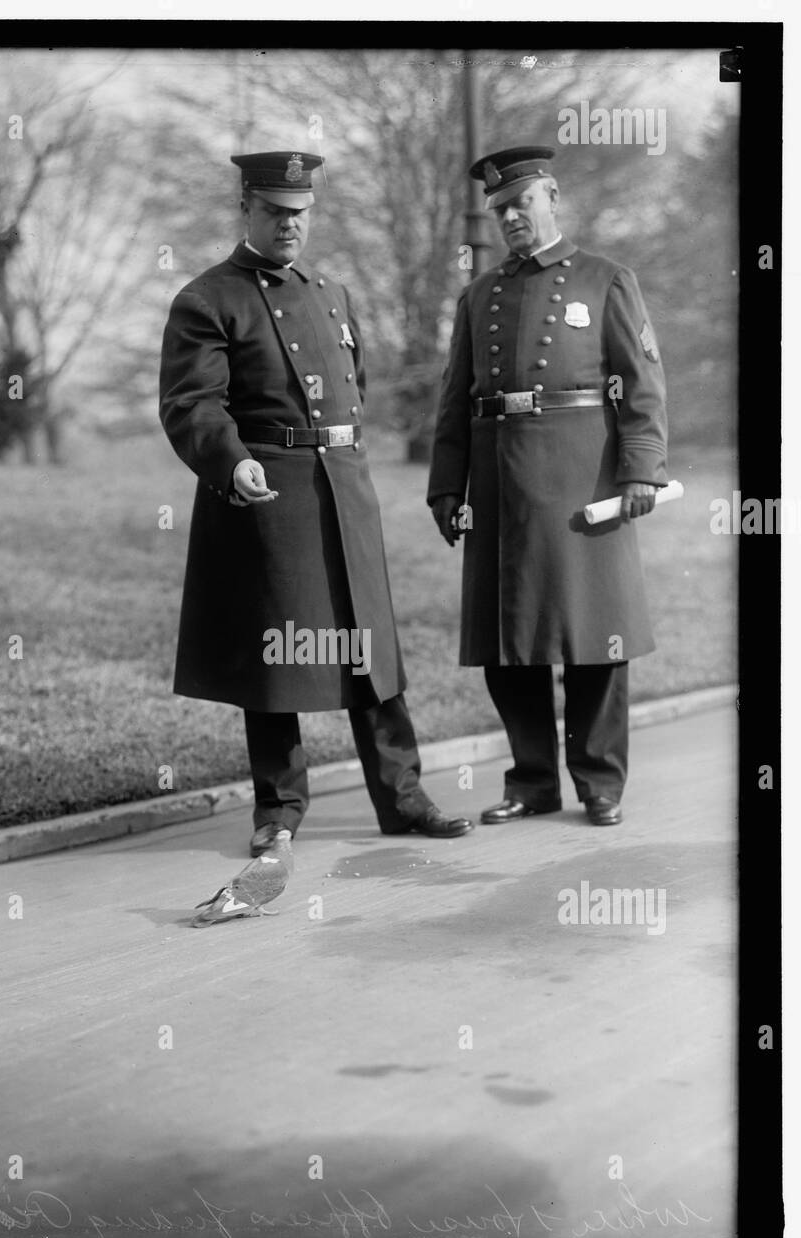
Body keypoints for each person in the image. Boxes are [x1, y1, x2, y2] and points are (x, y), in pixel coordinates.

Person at [160, 150, 472, 856]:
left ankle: (403, 797)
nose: (289, 225)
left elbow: (351, 384)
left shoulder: (331, 291)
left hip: (345, 487)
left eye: (300, 213)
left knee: (371, 650)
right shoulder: (208, 300)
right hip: (269, 494)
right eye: (274, 212)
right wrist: (232, 463)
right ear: (245, 209)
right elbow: (191, 405)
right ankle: (277, 812)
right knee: (275, 657)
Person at [428, 146, 668, 827]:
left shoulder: (607, 279)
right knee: (511, 644)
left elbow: (644, 390)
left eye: (521, 204)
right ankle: (532, 780)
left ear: (552, 198)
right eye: (499, 210)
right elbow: (454, 401)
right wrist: (447, 490)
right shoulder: (478, 298)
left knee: (596, 639)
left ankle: (600, 782)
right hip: (501, 488)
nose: (510, 219)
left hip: (582, 481)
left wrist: (642, 470)